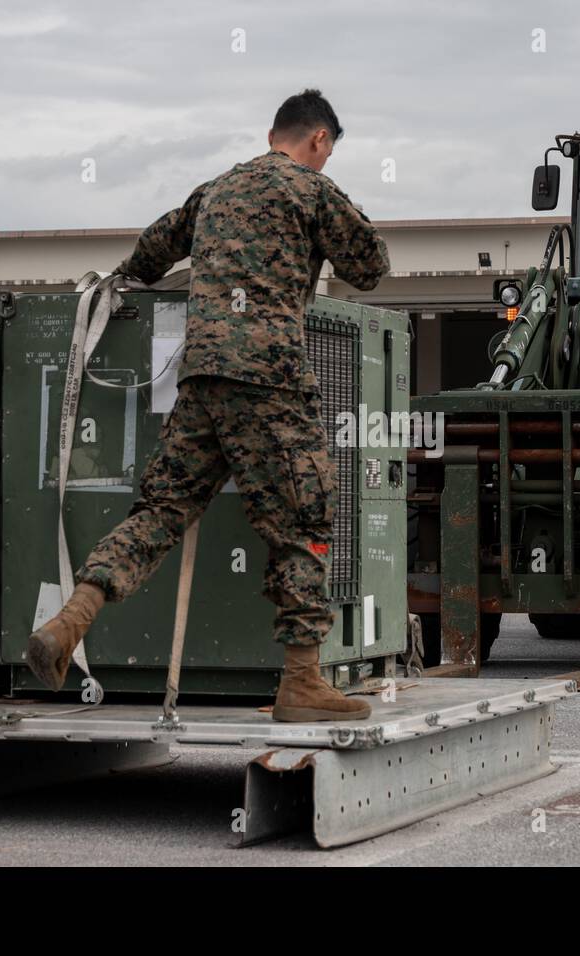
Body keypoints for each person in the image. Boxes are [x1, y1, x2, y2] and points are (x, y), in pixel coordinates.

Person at [26, 89, 390, 722]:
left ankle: (68, 622)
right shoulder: (311, 189)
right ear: (321, 140)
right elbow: (372, 266)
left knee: (162, 508)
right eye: (328, 150)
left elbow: (149, 251)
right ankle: (302, 682)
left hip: (201, 379)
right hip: (270, 378)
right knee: (303, 524)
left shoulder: (214, 190)